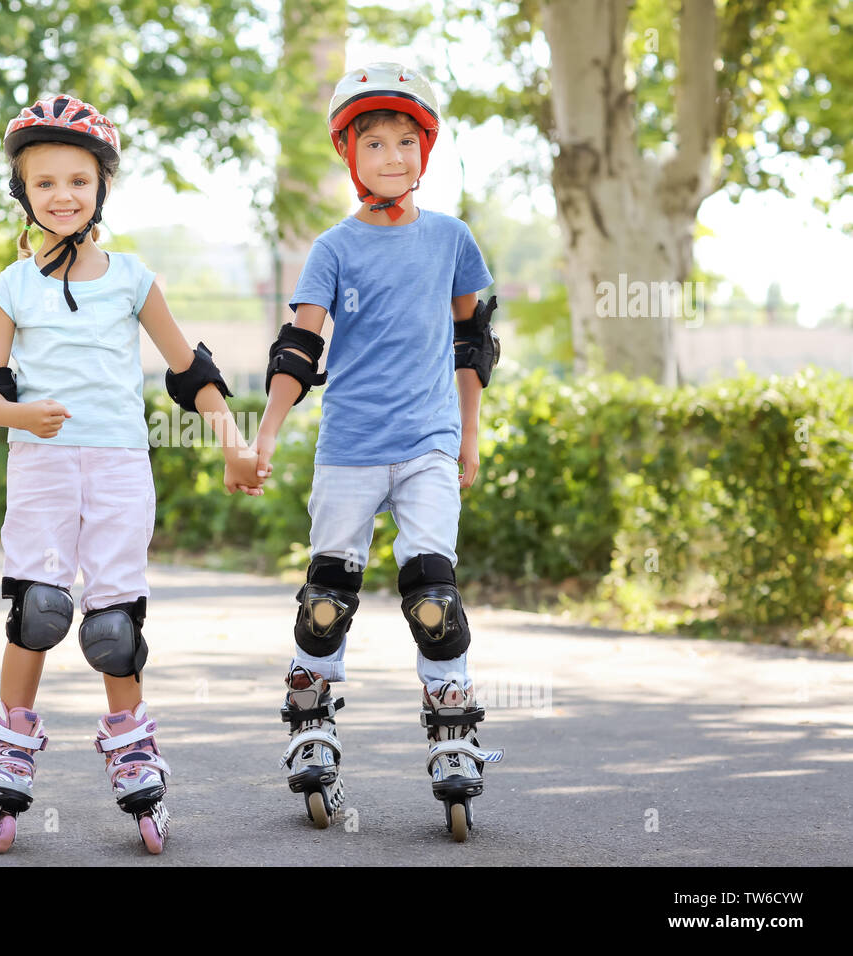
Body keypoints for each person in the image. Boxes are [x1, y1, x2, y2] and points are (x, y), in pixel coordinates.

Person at [0, 93, 260, 854]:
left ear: (102, 190)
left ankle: (133, 750)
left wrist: (232, 438)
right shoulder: (12, 286)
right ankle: (6, 754)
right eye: (45, 182)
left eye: (78, 181)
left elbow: (189, 369)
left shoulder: (131, 277)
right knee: (38, 610)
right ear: (24, 194)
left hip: (121, 466)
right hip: (43, 465)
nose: (62, 195)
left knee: (114, 626)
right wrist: (19, 415)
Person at [250, 63, 504, 841]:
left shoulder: (451, 239)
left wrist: (469, 430)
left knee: (433, 591)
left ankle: (454, 727)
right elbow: (299, 346)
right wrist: (264, 436)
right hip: (351, 445)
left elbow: (472, 342)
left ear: (424, 152)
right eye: (374, 142)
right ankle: (309, 714)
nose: (391, 156)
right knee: (329, 596)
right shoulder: (333, 247)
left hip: (427, 440)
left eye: (405, 141)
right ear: (349, 155)